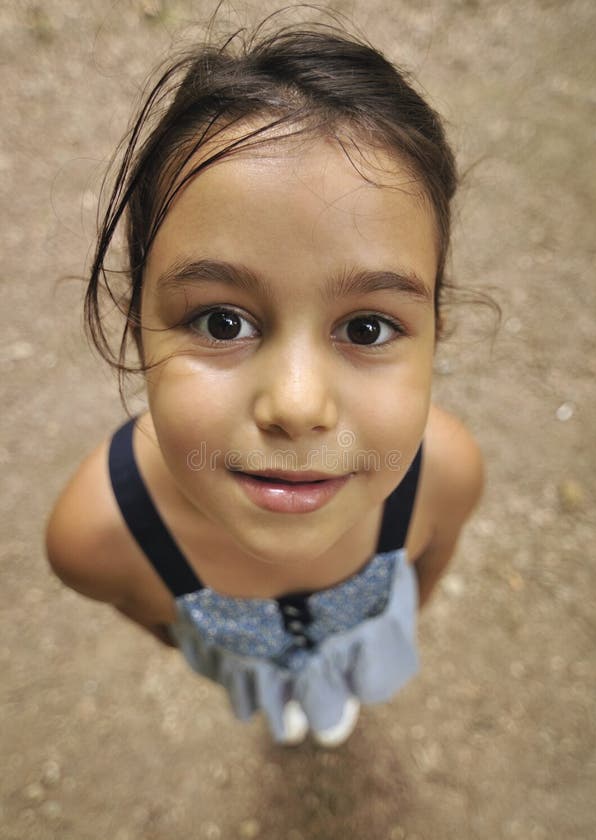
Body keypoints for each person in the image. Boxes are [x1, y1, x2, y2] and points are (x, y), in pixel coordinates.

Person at [45, 20, 485, 747]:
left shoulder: (446, 474)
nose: (296, 405)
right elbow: (159, 623)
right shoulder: (96, 536)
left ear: (437, 329)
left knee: (344, 697)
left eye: (368, 328)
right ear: (135, 323)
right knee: (275, 707)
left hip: (358, 651)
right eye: (221, 323)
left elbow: (429, 572)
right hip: (254, 671)